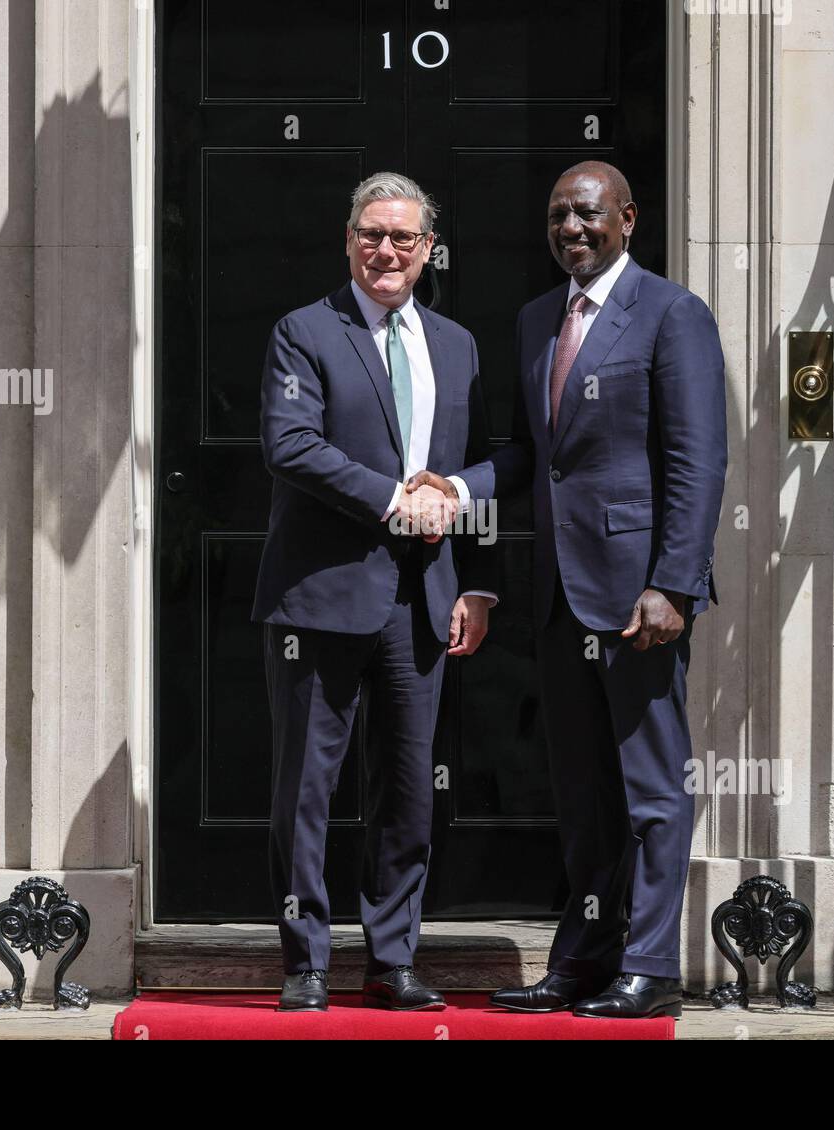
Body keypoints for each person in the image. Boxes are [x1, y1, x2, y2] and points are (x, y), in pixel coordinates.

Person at [408, 160, 727, 1019]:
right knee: (584, 796)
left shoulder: (672, 313)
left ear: (628, 218)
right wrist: (458, 486)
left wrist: (673, 583)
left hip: (637, 602)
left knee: (652, 792)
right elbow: (530, 454)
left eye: (588, 215)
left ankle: (652, 969)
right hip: (558, 596)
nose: (571, 230)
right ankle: (583, 962)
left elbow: (698, 462)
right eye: (557, 216)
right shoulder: (537, 319)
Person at [253, 172, 497, 1012]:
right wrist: (397, 497)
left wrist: (479, 582)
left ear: (428, 249)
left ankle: (392, 959)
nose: (385, 251)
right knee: (307, 788)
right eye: (370, 234)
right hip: (320, 597)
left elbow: (482, 466)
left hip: (422, 598)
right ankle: (306, 961)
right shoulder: (305, 331)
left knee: (405, 787)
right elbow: (289, 445)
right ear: (347, 240)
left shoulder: (457, 344)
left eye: (403, 237)